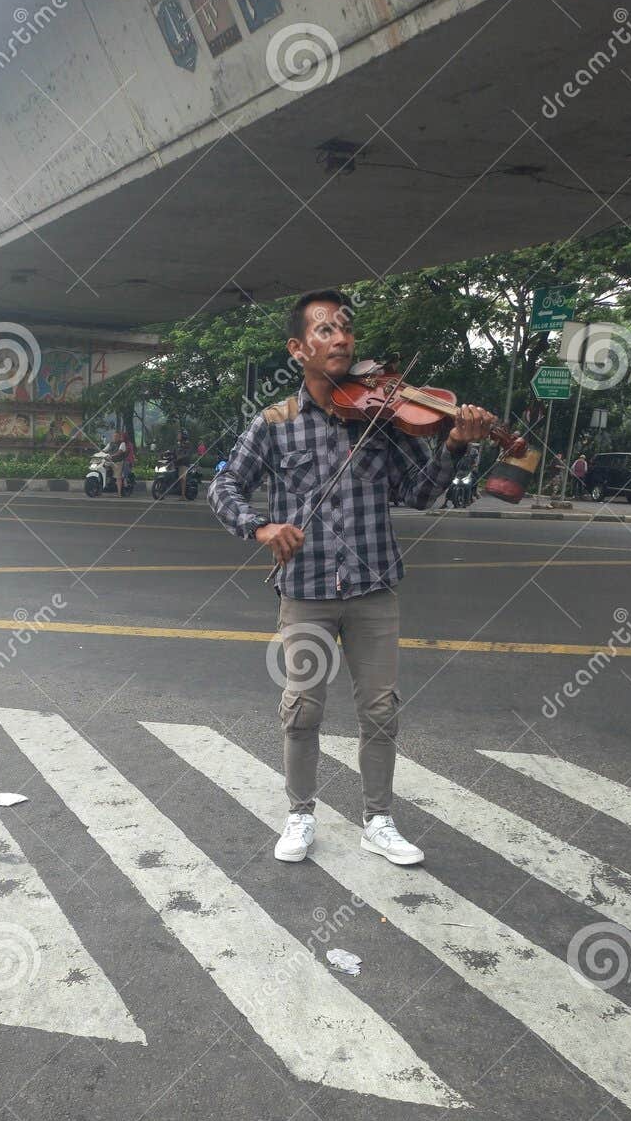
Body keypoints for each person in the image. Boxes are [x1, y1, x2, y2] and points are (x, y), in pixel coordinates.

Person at [209, 289, 493, 867]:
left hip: (373, 586)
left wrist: (456, 446)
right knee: (302, 708)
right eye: (324, 331)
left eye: (345, 330)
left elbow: (419, 494)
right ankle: (299, 813)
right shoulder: (275, 422)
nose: (340, 340)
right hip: (306, 590)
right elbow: (223, 485)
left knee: (381, 708)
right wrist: (260, 528)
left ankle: (379, 819)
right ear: (298, 348)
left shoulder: (381, 419)